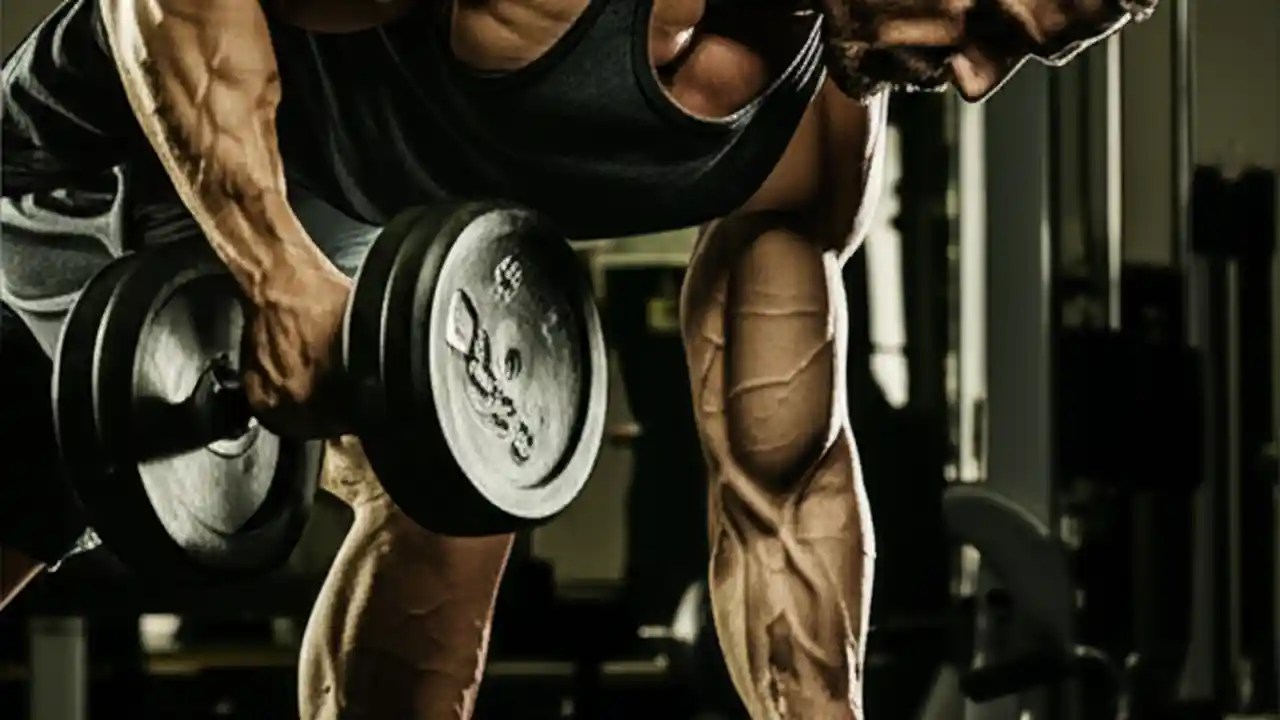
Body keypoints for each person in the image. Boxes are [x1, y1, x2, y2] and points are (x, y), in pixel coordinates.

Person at [0, 0, 1157, 717]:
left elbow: (784, 493)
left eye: (1018, 57)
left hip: (353, 267)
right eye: (989, 26)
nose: (972, 80)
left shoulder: (807, 141)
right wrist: (279, 270)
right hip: (94, 190)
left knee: (474, 464)